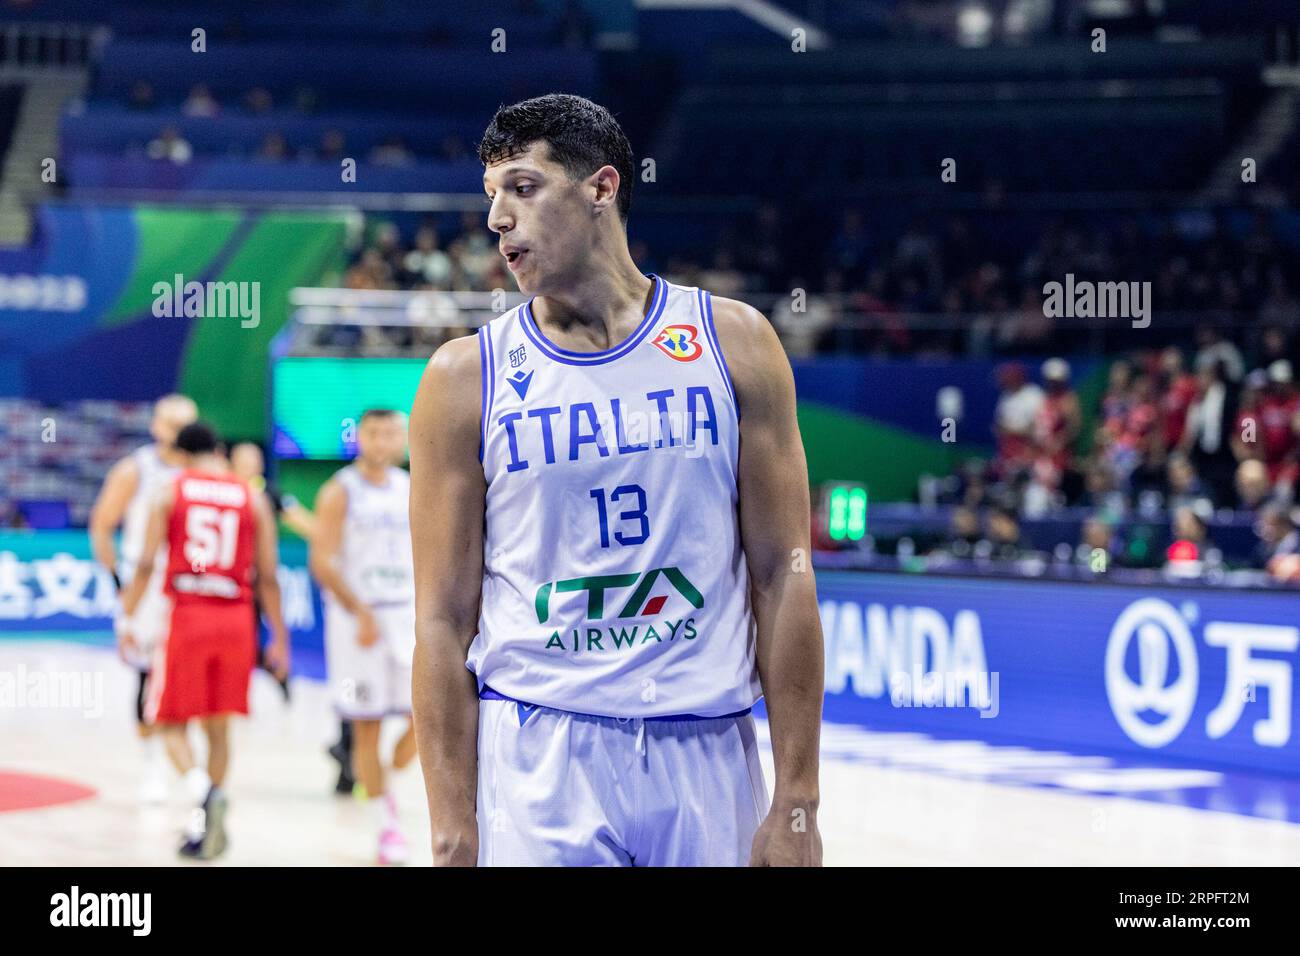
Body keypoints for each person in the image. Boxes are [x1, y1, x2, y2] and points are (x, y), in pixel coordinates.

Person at [409, 94, 824, 867]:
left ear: (601, 188)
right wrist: (450, 818)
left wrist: (797, 797)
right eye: (491, 194)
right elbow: (439, 618)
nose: (497, 218)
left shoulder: (734, 343)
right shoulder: (465, 378)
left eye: (523, 188)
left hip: (706, 744)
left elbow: (783, 573)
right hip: (539, 747)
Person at [121, 422, 290, 859]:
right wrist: (280, 639)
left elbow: (143, 564)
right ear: (218, 450)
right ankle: (204, 826)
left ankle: (203, 796)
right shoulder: (250, 496)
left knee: (167, 722)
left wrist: (127, 617)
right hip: (236, 616)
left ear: (178, 454)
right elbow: (269, 576)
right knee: (219, 726)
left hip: (189, 612)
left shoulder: (169, 491)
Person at [310, 409, 417, 864]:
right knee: (366, 724)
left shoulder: (412, 485)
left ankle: (391, 771)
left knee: (426, 714)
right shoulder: (340, 490)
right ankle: (384, 824)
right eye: (373, 433)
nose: (382, 441)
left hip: (406, 613)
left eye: (391, 432)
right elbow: (322, 560)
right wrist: (360, 610)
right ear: (359, 438)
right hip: (361, 621)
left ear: (403, 438)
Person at [88, 393, 198, 803]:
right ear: (156, 425)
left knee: (186, 669)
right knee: (147, 671)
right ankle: (153, 759)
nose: (177, 431)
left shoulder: (202, 471)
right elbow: (102, 524)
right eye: (170, 422)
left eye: (185, 423)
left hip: (192, 581)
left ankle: (186, 754)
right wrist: (120, 582)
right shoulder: (136, 469)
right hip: (147, 582)